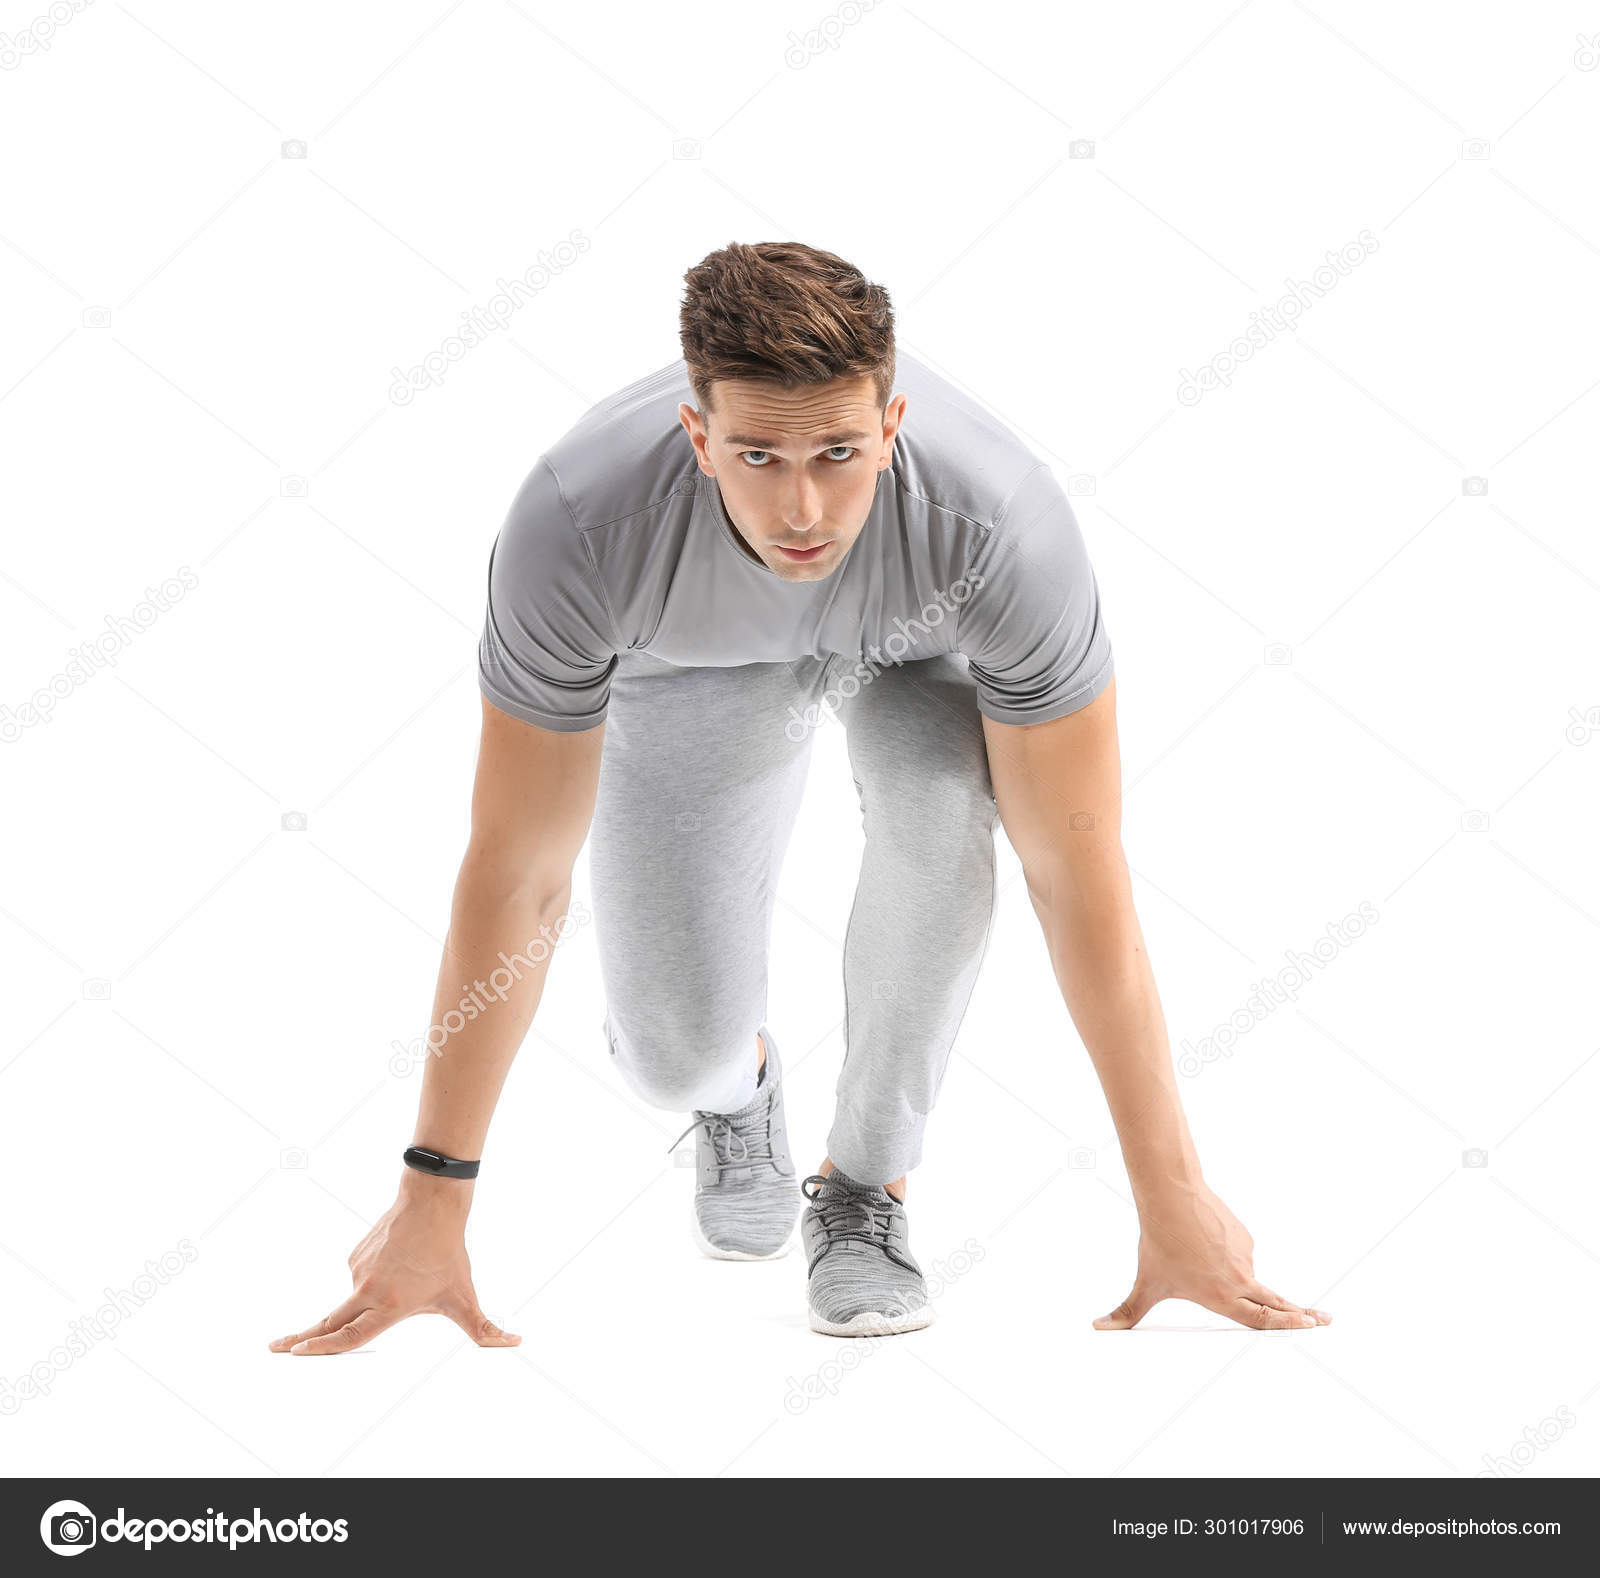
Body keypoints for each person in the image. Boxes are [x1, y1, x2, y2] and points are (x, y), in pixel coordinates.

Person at [270, 241, 1330, 1353]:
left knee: (938, 813)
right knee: (673, 1053)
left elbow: (1074, 868)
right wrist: (433, 1194)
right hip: (691, 659)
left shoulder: (1002, 528)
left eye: (839, 452)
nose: (804, 508)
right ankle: (738, 1091)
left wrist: (1172, 1195)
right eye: (758, 456)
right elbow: (521, 873)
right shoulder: (579, 529)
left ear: (892, 425)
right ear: (698, 437)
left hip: (918, 643)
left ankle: (865, 1188)